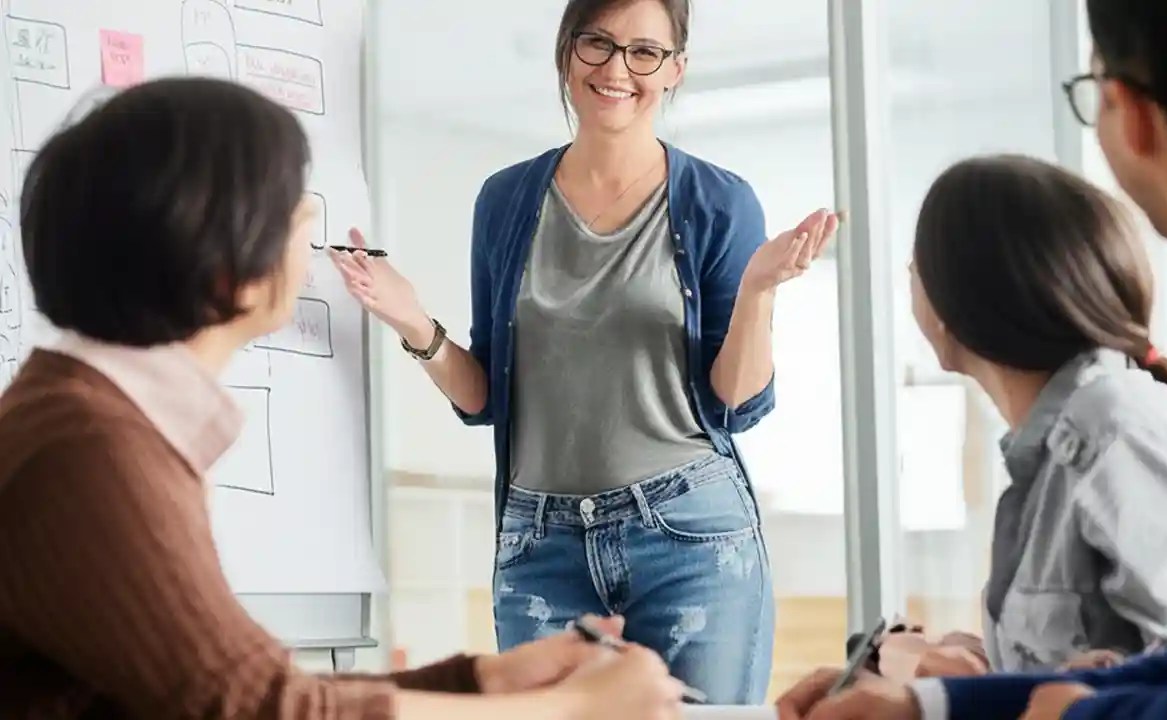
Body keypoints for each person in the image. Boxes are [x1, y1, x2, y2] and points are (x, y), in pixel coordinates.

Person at [0, 77, 683, 720]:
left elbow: (256, 691)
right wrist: (569, 709)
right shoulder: (86, 450)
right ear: (226, 268)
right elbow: (256, 708)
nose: (310, 228)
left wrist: (486, 681)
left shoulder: (92, 422)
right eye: (294, 210)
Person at [776, 0, 1167, 718]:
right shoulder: (1067, 434)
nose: (908, 283)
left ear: (1131, 114)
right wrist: (928, 700)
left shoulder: (1121, 417)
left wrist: (1067, 711)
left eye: (916, 268)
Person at [331, 0, 838, 704]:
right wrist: (411, 318)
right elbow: (486, 399)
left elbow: (737, 402)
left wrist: (757, 291)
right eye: (597, 43)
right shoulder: (506, 200)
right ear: (568, 52)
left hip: (689, 537)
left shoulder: (719, 202)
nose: (617, 69)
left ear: (675, 69)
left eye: (644, 52)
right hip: (541, 544)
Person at [872, 154, 1167, 682]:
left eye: (914, 271)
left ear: (957, 304)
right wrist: (964, 669)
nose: (911, 286)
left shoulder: (1113, 426)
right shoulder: (1054, 443)